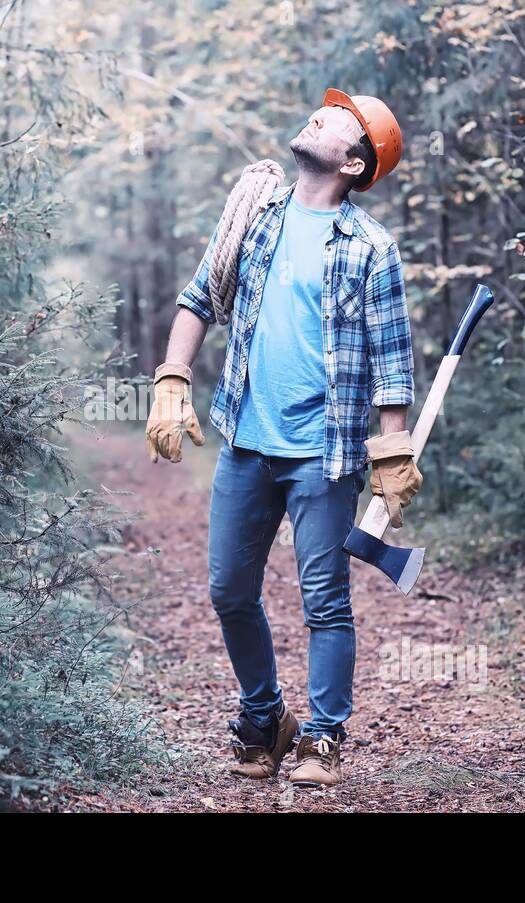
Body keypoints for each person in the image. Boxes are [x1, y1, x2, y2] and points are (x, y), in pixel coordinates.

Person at [145, 89, 421, 786]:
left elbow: (392, 363)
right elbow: (200, 296)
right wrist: (173, 377)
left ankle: (323, 738)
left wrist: (391, 453)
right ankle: (264, 718)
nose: (319, 115)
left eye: (337, 119)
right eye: (322, 110)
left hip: (323, 456)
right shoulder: (256, 216)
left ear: (354, 161)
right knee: (228, 589)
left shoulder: (371, 247)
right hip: (245, 440)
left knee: (325, 601)